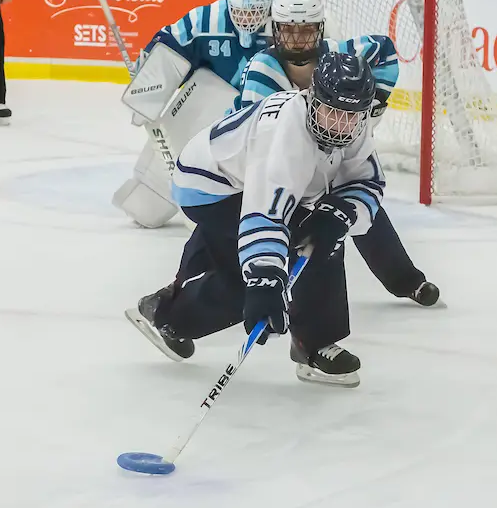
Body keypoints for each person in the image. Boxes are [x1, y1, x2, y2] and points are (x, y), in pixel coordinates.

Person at [125, 50, 382, 387]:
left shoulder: (349, 121)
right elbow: (264, 215)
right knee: (247, 283)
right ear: (312, 98)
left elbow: (366, 180)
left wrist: (341, 213)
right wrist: (264, 282)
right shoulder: (285, 138)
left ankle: (315, 343)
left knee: (323, 242)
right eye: (334, 113)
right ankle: (166, 316)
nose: (342, 125)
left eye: (352, 115)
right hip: (210, 188)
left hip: (254, 182)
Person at [239, 0, 439, 307]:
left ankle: (407, 281)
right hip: (270, 168)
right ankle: (188, 293)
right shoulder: (262, 70)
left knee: (354, 206)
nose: (297, 39)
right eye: (288, 31)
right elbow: (261, 148)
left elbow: (383, 50)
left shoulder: (337, 58)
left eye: (305, 31)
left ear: (319, 29)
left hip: (324, 155)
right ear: (275, 30)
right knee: (260, 225)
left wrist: (369, 108)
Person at [113, 0, 275, 229]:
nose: (246, 19)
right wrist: (147, 85)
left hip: (258, 121)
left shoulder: (283, 26)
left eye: (254, 12)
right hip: (208, 107)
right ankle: (153, 192)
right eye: (241, 12)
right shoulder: (206, 19)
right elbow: (168, 43)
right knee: (146, 209)